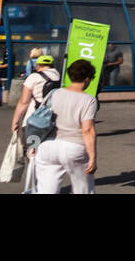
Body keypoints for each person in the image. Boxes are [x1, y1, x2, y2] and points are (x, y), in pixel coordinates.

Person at [33, 59, 99, 194]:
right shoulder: (88, 100)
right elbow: (87, 129)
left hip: (48, 146)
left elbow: (39, 120)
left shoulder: (53, 93)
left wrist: (34, 144)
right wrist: (92, 157)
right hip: (74, 147)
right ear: (87, 79)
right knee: (83, 189)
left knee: (46, 190)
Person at [12, 54, 61, 151]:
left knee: (32, 149)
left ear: (38, 65)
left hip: (34, 120)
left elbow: (24, 102)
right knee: (46, 149)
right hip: (53, 118)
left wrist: (15, 122)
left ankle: (32, 162)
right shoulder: (59, 76)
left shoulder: (34, 77)